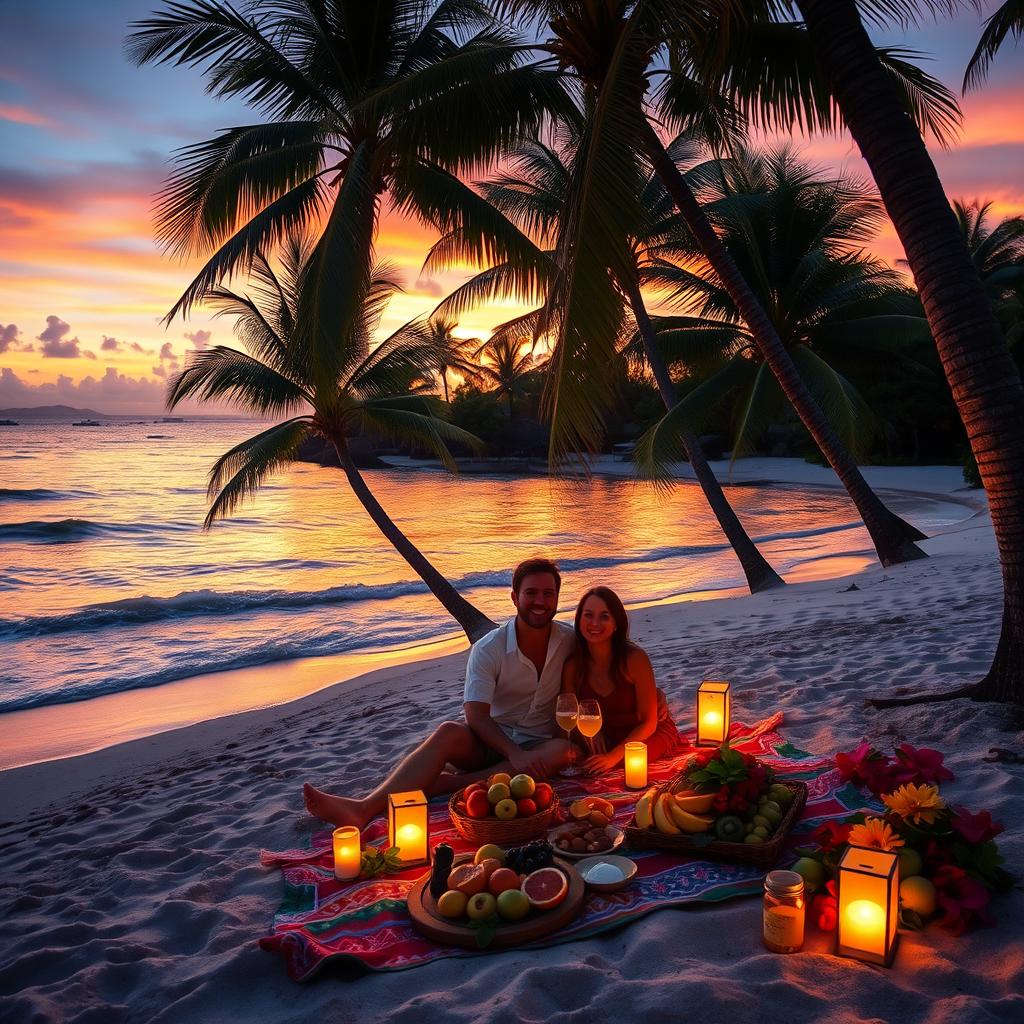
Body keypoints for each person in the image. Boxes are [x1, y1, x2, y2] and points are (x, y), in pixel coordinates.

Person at [303, 557, 575, 829]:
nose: (540, 601)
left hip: (539, 745)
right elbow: (476, 715)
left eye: (548, 593)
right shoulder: (489, 648)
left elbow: (609, 653)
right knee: (447, 731)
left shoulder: (569, 640)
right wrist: (513, 753)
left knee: (565, 751)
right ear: (515, 598)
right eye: (531, 593)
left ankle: (447, 784)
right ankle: (363, 808)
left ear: (557, 599)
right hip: (490, 741)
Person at [562, 585, 682, 775]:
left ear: (616, 623)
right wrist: (588, 734)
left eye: (604, 616)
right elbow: (570, 712)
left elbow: (648, 723)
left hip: (643, 736)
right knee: (577, 758)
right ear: (579, 619)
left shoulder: (634, 659)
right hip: (604, 737)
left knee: (630, 761)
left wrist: (613, 756)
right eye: (588, 615)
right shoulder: (573, 665)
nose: (594, 623)